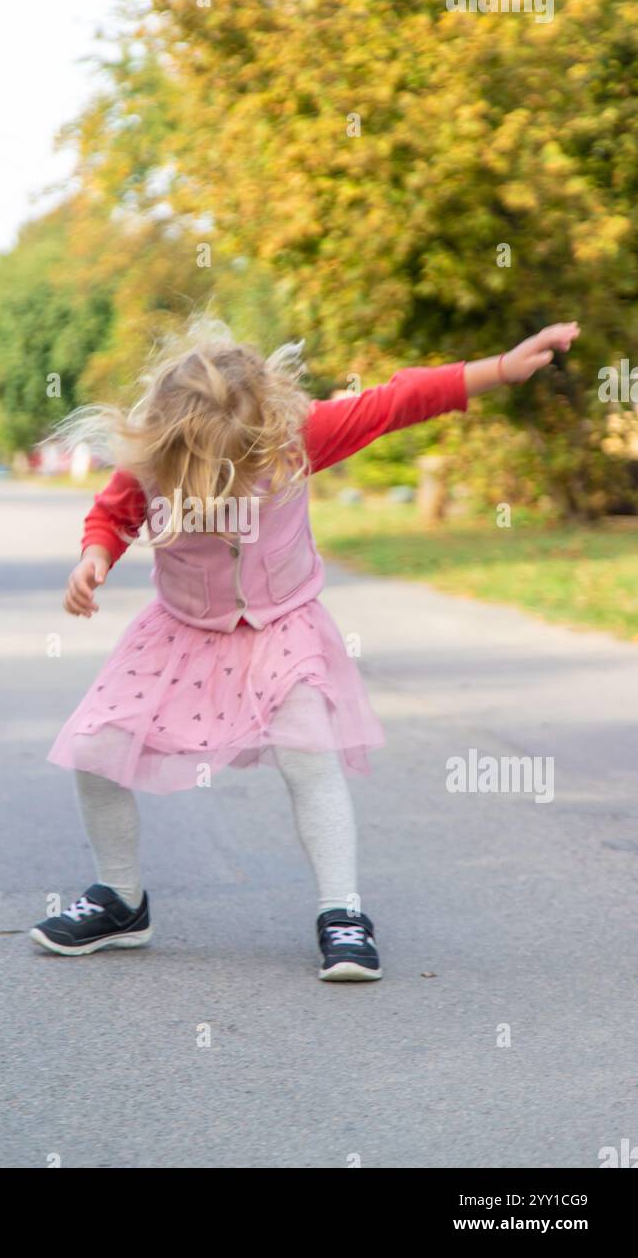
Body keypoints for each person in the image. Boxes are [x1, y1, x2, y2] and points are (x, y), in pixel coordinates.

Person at [31, 318, 579, 980]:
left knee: (307, 753)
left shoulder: (297, 438)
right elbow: (112, 515)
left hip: (279, 627)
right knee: (95, 746)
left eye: (235, 471)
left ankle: (342, 913)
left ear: (264, 433)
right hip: (179, 630)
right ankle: (119, 899)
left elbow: (396, 400)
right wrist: (94, 559)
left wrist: (499, 367)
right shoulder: (152, 455)